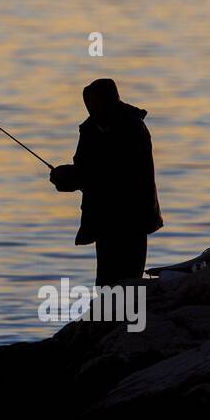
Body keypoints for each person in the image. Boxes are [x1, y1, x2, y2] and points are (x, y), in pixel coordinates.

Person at [49, 78, 163, 285]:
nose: (92, 106)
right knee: (106, 281)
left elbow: (115, 173)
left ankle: (126, 316)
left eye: (97, 101)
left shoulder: (132, 127)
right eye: (89, 101)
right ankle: (108, 316)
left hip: (131, 216)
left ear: (111, 100)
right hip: (104, 218)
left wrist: (73, 176)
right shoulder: (91, 128)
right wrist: (65, 178)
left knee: (128, 280)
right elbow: (87, 170)